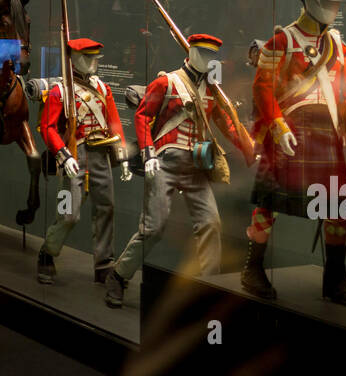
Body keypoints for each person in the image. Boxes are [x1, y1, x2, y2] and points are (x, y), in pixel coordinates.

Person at [242, 0, 346, 305]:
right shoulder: (282, 41)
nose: (334, 8)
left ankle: (334, 280)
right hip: (290, 130)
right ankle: (253, 268)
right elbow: (262, 89)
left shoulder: (338, 45)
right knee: (269, 202)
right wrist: (277, 125)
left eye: (337, 2)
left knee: (337, 207)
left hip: (326, 134)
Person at [104, 34, 252, 308]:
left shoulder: (212, 90)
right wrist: (148, 152)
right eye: (203, 54)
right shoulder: (167, 82)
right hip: (164, 163)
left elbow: (225, 123)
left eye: (212, 57)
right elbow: (142, 116)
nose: (208, 61)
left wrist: (248, 147)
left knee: (211, 224)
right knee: (153, 228)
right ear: (191, 52)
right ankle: (119, 274)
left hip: (196, 166)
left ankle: (208, 288)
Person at [36, 37, 130, 285]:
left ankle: (104, 264)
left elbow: (113, 122)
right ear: (74, 59)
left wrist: (122, 152)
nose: (93, 62)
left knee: (105, 209)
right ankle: (47, 253)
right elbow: (47, 127)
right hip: (75, 156)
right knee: (69, 213)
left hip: (101, 155)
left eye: (94, 58)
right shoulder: (60, 91)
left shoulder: (103, 88)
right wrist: (62, 154)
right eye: (87, 57)